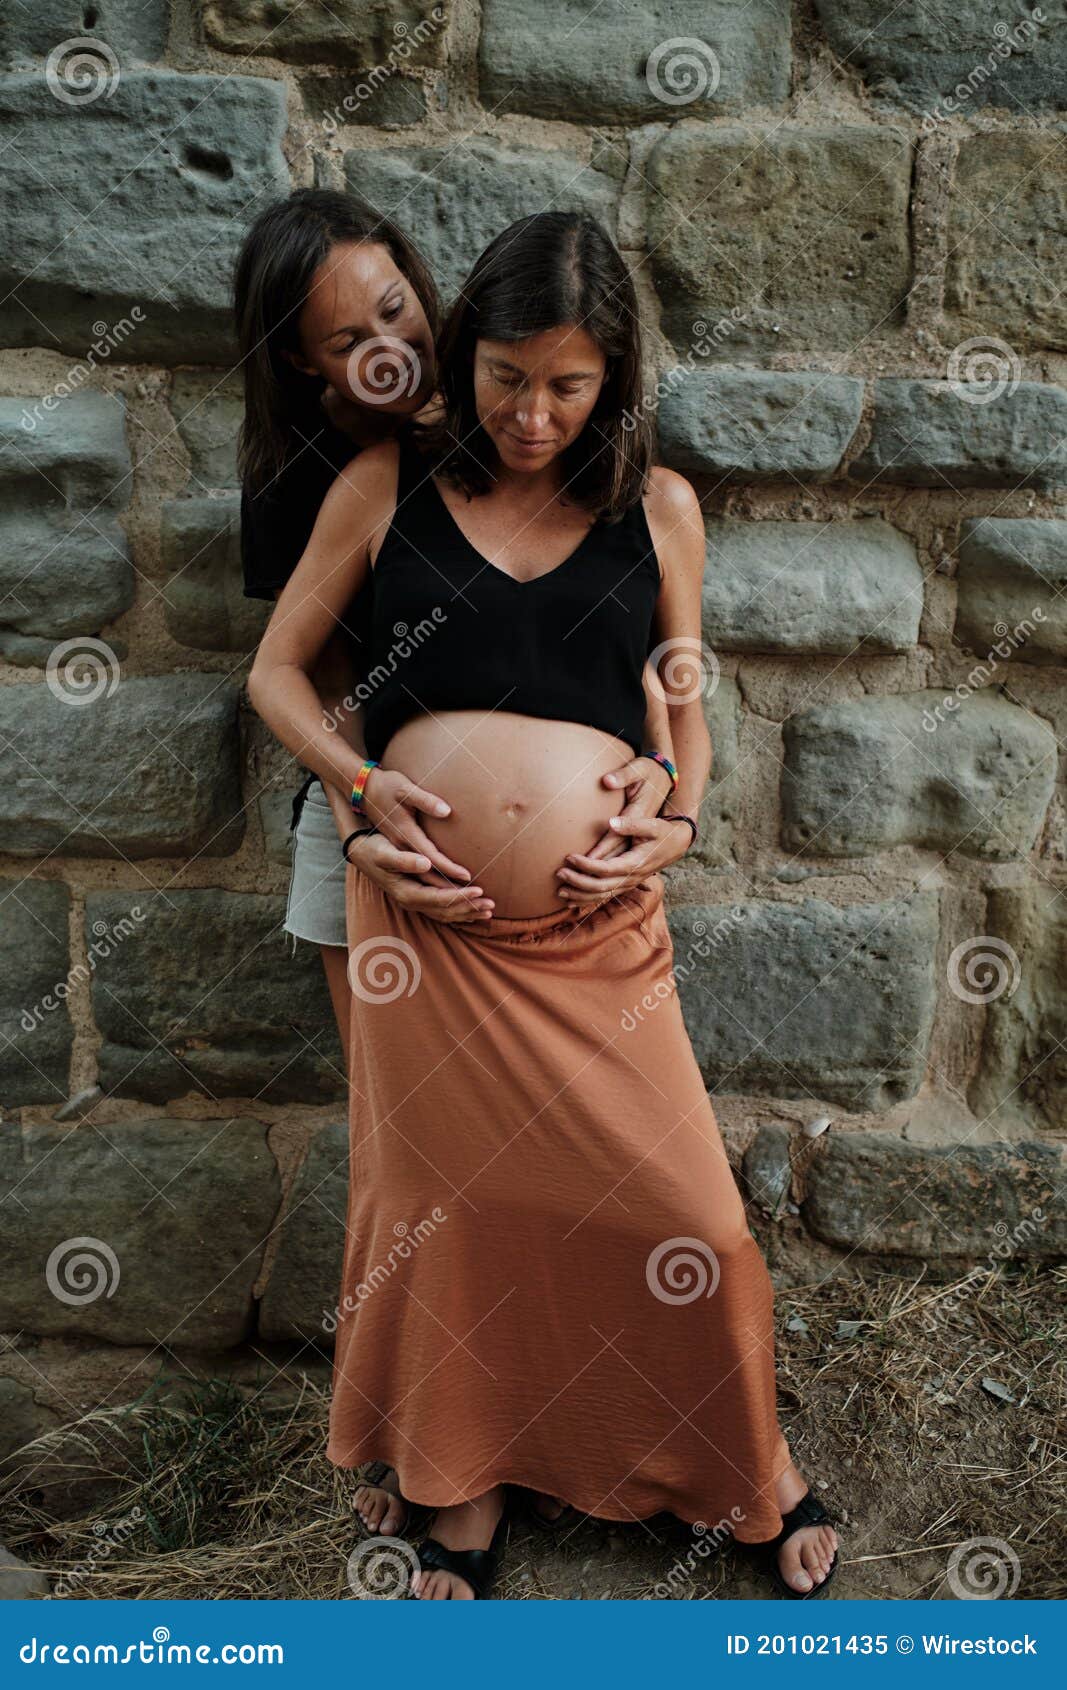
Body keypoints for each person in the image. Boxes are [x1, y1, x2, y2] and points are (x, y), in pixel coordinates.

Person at [246, 210, 840, 1601]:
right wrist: (356, 793)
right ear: (468, 355)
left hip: (591, 937)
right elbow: (281, 674)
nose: (530, 413)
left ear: (613, 378)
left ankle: (741, 1468)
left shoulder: (659, 507)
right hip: (424, 931)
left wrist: (675, 819)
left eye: (566, 385)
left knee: (689, 1213)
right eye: (507, 376)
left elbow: (685, 701)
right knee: (447, 1210)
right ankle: (456, 1490)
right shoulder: (384, 484)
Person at [236, 188, 679, 1070]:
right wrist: (360, 816)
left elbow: (625, 636)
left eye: (394, 311)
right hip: (369, 810)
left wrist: (664, 773)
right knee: (403, 1132)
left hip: (561, 887)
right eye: (347, 342)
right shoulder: (305, 484)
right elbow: (324, 683)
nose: (389, 354)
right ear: (300, 360)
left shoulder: (516, 410)